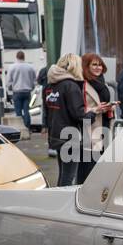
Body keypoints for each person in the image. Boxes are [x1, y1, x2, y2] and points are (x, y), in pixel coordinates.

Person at [43, 54, 94, 187]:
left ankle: (57, 201)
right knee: (68, 178)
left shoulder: (50, 86)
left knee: (63, 175)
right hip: (70, 137)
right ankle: (62, 204)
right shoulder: (70, 86)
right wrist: (93, 113)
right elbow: (79, 115)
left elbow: (48, 111)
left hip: (56, 135)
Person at [80, 52, 116, 183]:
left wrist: (110, 107)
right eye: (94, 64)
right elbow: (77, 109)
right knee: (89, 170)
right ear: (86, 66)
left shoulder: (102, 82)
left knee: (102, 167)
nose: (98, 67)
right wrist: (96, 110)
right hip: (90, 129)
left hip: (105, 127)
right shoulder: (81, 84)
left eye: (100, 65)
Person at [6, 50, 37, 134]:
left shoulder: (12, 67)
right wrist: (31, 88)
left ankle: (20, 129)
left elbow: (9, 81)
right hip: (27, 92)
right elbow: (34, 80)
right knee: (27, 111)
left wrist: (10, 88)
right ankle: (27, 128)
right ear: (24, 57)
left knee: (18, 112)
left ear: (17, 57)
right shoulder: (30, 67)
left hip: (17, 92)